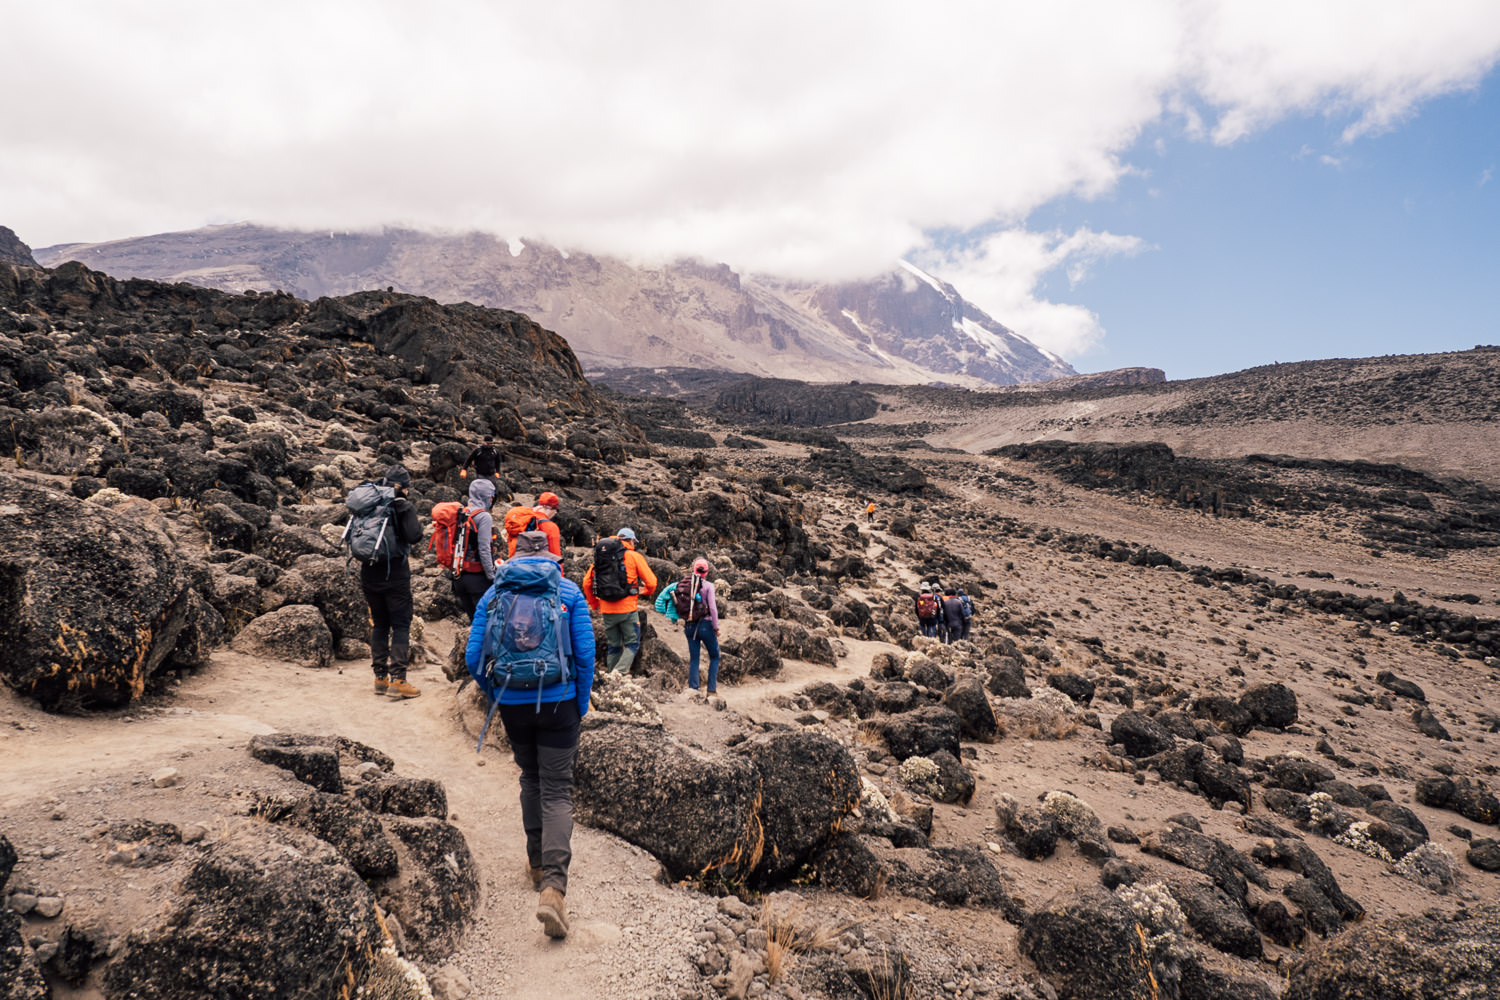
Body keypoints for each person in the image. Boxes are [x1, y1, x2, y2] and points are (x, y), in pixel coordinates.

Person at [466, 530, 595, 939]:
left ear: (515, 554)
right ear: (552, 556)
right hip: (560, 702)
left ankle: (536, 863)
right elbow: (586, 653)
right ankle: (553, 889)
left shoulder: (493, 593)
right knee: (557, 789)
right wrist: (580, 701)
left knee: (530, 778)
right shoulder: (569, 591)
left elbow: (474, 657)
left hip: (513, 703)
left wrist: (497, 694)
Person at [362, 464, 424, 698]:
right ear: (404, 488)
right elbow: (414, 535)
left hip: (368, 571)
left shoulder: (369, 502)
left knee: (379, 623)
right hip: (395, 573)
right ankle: (398, 680)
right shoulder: (401, 504)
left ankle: (380, 678)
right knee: (400, 624)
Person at [582, 527, 657, 676]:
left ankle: (611, 676)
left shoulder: (601, 555)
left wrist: (595, 604)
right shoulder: (633, 556)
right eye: (633, 542)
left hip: (607, 609)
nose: (634, 545)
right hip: (627, 609)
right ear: (629, 541)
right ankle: (618, 674)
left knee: (614, 646)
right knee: (632, 643)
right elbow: (652, 582)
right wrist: (646, 591)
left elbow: (586, 583)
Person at [656, 558, 721, 696]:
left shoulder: (684, 584)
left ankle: (693, 689)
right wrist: (716, 627)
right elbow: (713, 609)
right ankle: (711, 690)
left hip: (690, 625)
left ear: (694, 569)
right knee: (715, 656)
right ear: (707, 572)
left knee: (694, 658)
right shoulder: (709, 586)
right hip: (706, 625)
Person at [453, 478, 498, 618]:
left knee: (474, 623)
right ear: (486, 496)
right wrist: (492, 576)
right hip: (477, 579)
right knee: (486, 624)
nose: (491, 499)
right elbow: (484, 548)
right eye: (491, 495)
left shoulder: (461, 512)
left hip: (458, 578)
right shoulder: (483, 517)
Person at [505, 491, 563, 560]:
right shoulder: (550, 527)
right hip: (537, 567)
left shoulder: (523, 518)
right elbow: (555, 555)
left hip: (515, 563)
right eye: (556, 510)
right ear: (552, 509)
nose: (555, 513)